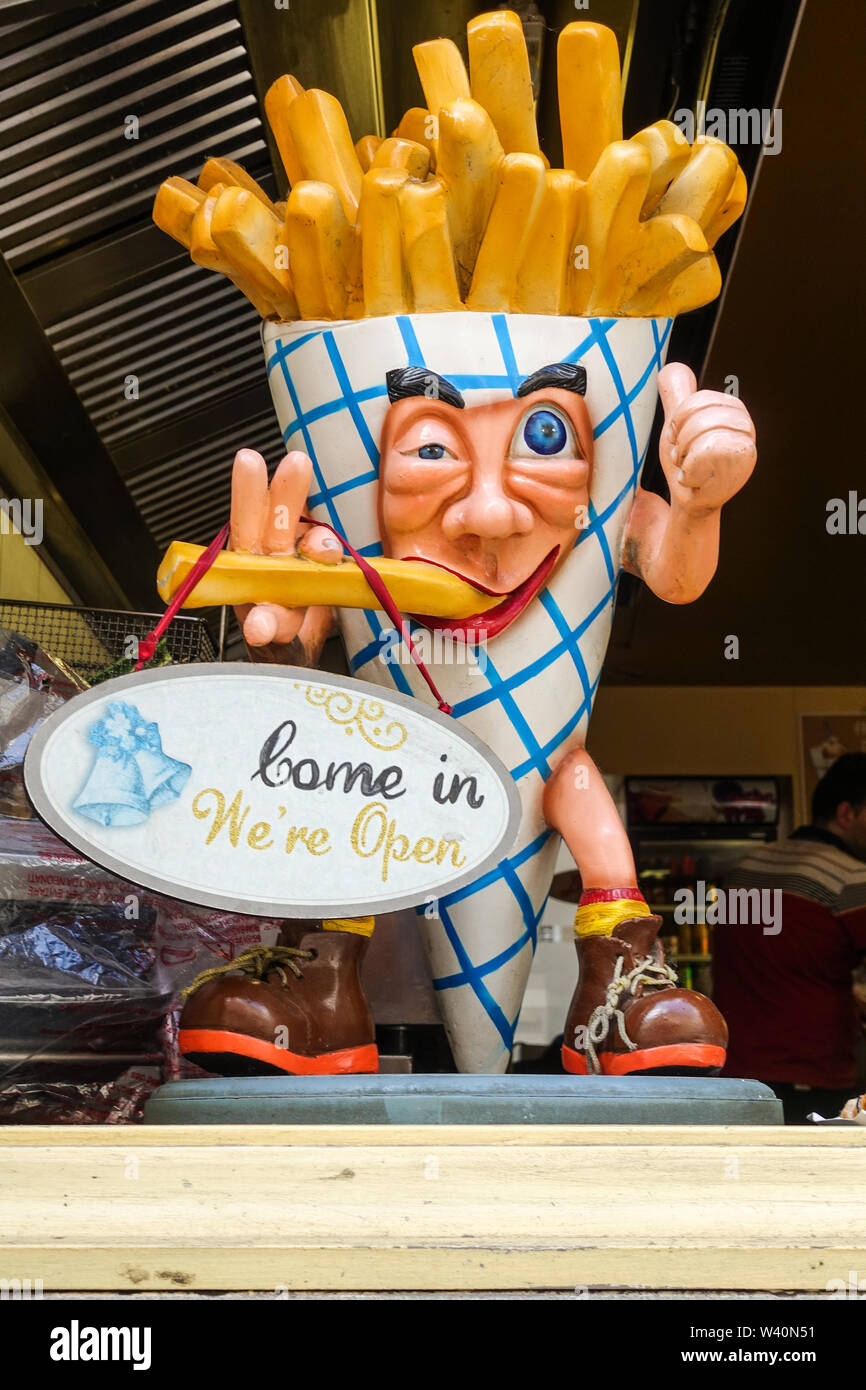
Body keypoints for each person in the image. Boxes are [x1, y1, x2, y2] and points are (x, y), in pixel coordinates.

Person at [714, 754, 866, 1122]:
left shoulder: (741, 870)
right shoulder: (852, 878)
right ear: (846, 814)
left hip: (735, 1069)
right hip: (813, 1072)